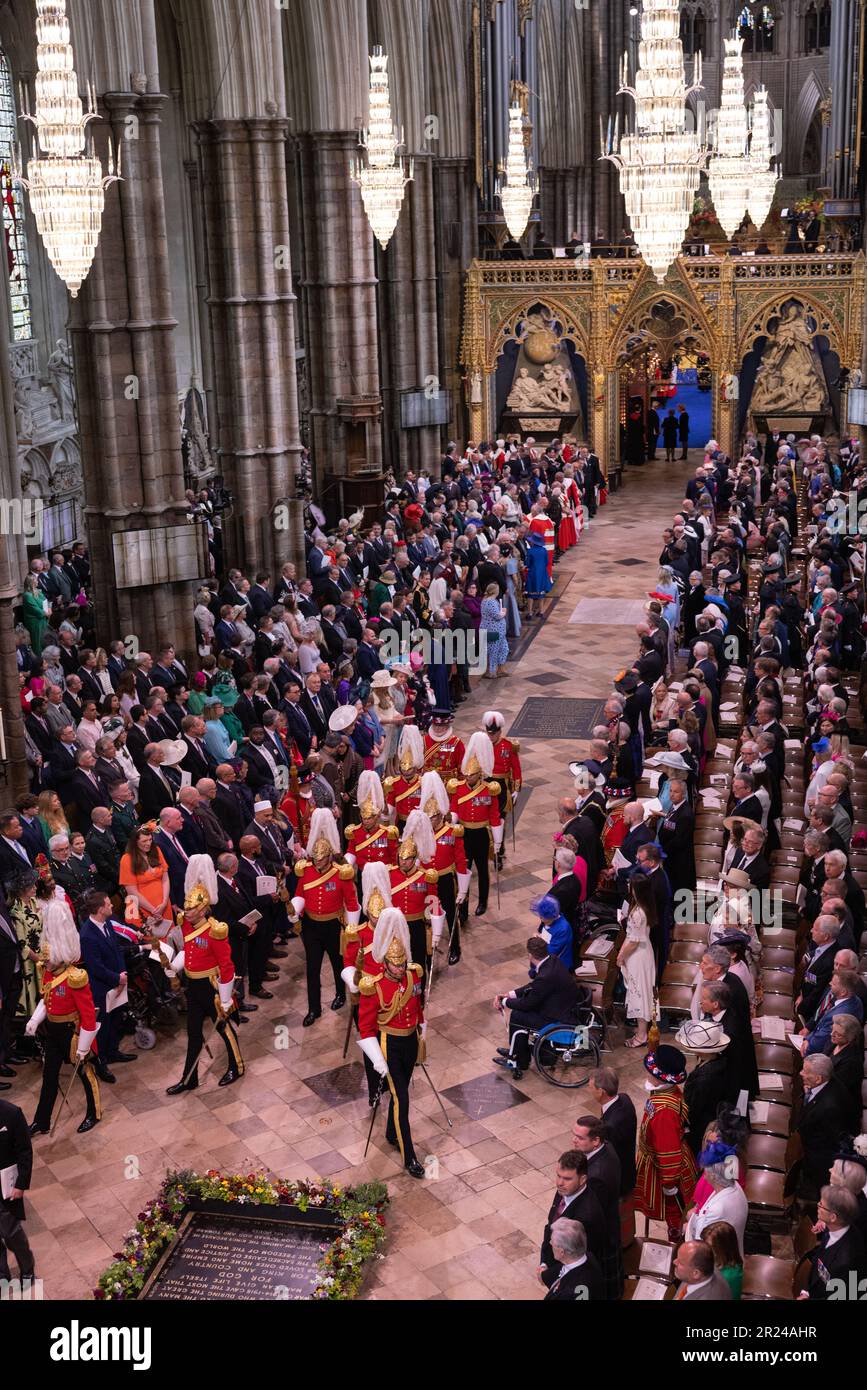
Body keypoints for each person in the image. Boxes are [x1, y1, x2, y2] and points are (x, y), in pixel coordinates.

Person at [164, 855, 244, 1094]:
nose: (186, 913)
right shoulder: (187, 926)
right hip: (194, 986)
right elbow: (188, 952)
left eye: (191, 909)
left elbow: (227, 965)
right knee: (194, 1033)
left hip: (212, 986)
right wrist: (174, 966)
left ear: (202, 909)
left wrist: (227, 997)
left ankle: (236, 1066)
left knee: (223, 1028)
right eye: (186, 909)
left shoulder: (215, 930)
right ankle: (190, 1078)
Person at [357, 907, 426, 1179]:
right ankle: (410, 1156)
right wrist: (377, 1060)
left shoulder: (413, 976)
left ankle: (390, 1132)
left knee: (402, 1092)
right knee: (403, 1100)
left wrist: (422, 1035)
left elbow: (418, 1007)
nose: (400, 968)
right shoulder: (372, 987)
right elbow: (365, 1028)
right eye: (395, 964)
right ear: (385, 963)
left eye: (402, 962)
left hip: (409, 1042)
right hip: (388, 1044)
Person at [25, 895, 101, 1136]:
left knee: (85, 1073)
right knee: (49, 1077)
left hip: (73, 1032)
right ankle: (41, 1120)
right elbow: (46, 999)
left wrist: (84, 1045)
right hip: (54, 1032)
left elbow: (89, 1015)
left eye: (46, 959)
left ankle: (94, 1112)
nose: (43, 962)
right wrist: (35, 1020)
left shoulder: (75, 977)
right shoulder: (50, 974)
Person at [288, 808, 360, 1027]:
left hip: (333, 925)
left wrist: (352, 927)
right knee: (312, 968)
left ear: (329, 857)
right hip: (311, 925)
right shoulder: (306, 871)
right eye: (316, 860)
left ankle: (340, 994)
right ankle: (313, 1008)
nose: (318, 863)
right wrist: (294, 910)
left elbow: (352, 902)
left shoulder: (341, 873)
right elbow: (300, 893)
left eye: (322, 860)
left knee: (338, 963)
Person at [492, 936, 583, 1079]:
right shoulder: (552, 960)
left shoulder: (545, 976)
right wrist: (510, 995)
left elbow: (528, 1003)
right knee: (520, 1014)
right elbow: (534, 987)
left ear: (530, 955)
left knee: (517, 1016)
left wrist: (505, 1003)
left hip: (558, 1017)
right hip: (563, 1005)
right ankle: (518, 1052)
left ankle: (518, 1060)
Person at [635, 1045, 697, 1241]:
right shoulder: (668, 1093)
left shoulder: (664, 1113)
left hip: (667, 1169)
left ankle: (678, 1243)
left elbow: (667, 1151)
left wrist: (669, 1182)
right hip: (663, 1157)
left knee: (675, 1211)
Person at [79, 890, 136, 1078]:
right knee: (103, 1025)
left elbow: (117, 950)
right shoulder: (87, 934)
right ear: (100, 909)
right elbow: (95, 967)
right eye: (108, 904)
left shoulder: (107, 924)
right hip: (102, 988)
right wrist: (116, 978)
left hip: (118, 982)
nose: (112, 905)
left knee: (116, 1021)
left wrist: (122, 975)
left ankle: (113, 1051)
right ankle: (101, 1062)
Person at [448, 732, 503, 917]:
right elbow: (454, 808)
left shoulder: (489, 790)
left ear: (479, 774)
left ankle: (482, 901)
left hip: (480, 834)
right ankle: (462, 907)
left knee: (482, 869)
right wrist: (452, 821)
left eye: (472, 775)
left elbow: (494, 815)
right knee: (463, 870)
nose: (468, 778)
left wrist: (497, 841)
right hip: (464, 834)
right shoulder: (458, 788)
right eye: (466, 775)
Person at [572, 1113, 623, 1300]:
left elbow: (593, 1215)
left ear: (596, 1141)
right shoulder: (606, 1148)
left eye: (579, 1137)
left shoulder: (597, 1175)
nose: (574, 1140)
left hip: (602, 1239)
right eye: (574, 1135)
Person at [539, 1150, 607, 1290]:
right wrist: (544, 1262)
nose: (559, 1183)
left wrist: (547, 1275)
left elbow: (577, 1259)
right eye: (558, 1176)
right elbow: (550, 1227)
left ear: (582, 1180)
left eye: (567, 1178)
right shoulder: (565, 1192)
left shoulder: (587, 1216)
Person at [801, 1186, 866, 1301]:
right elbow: (818, 1262)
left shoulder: (846, 1261)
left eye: (821, 1205)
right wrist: (806, 1291)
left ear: (833, 1217)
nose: (818, 1206)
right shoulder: (835, 1227)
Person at [0, 1095, 36, 1286]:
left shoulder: (11, 1113)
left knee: (11, 1233)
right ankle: (2, 1275)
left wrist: (21, 1184)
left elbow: (24, 1151)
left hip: (5, 1185)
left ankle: (27, 1268)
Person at [618, 871, 657, 1048]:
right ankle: (642, 1030)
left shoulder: (638, 913)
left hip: (638, 955)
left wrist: (621, 956)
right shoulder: (645, 906)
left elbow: (633, 942)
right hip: (644, 951)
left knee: (638, 994)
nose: (628, 886)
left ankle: (642, 1035)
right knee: (641, 991)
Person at [590, 1068, 637, 1197]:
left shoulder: (610, 1127)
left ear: (601, 1092)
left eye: (591, 1087)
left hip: (619, 1183)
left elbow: (610, 1159)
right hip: (629, 1170)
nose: (589, 1090)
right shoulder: (624, 1099)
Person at [543, 1219, 603, 1301]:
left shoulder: (574, 1291)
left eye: (552, 1241)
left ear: (561, 1252)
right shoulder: (588, 1256)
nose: (550, 1243)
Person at [525, 529, 553, 620]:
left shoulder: (530, 551)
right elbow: (547, 562)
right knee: (541, 593)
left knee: (530, 593)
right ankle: (541, 612)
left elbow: (528, 563)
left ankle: (529, 613)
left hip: (532, 574)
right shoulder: (544, 550)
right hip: (542, 573)